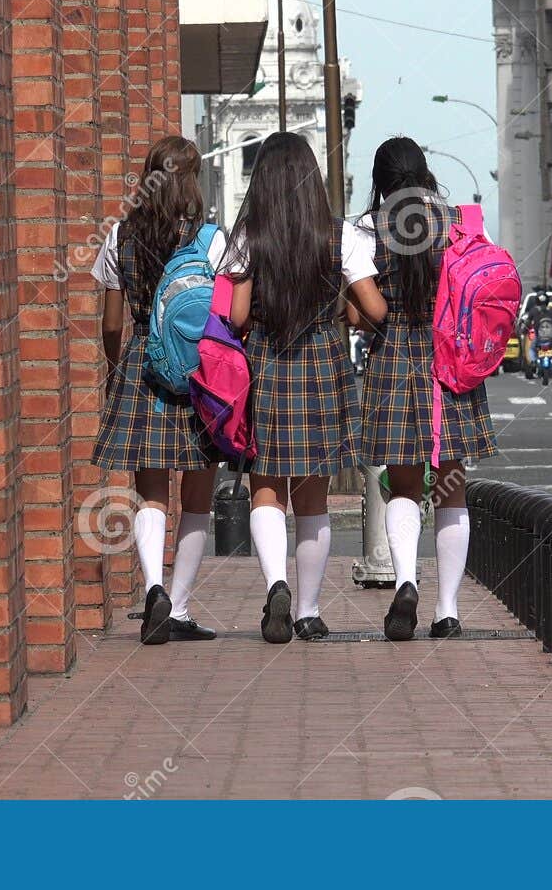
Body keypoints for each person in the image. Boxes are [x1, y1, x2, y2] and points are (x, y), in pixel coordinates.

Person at [223, 132, 386, 643]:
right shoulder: (341, 236)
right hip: (321, 364)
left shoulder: (250, 236)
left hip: (267, 363)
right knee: (313, 502)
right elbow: (374, 310)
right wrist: (345, 311)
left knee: (265, 491)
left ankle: (277, 585)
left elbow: (237, 314)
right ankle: (310, 611)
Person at [349, 138, 498, 640]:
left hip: (393, 363)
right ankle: (449, 610)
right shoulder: (457, 222)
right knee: (452, 487)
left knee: (403, 485)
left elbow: (360, 314)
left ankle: (407, 583)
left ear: (381, 180)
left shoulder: (366, 230)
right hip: (452, 363)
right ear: (426, 173)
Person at [90, 136, 223, 646]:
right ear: (193, 180)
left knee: (150, 491)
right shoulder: (211, 240)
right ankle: (181, 605)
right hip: (199, 375)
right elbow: (228, 315)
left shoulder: (120, 235)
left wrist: (116, 361)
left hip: (142, 364)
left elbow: (109, 321)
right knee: (196, 493)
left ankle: (153, 591)